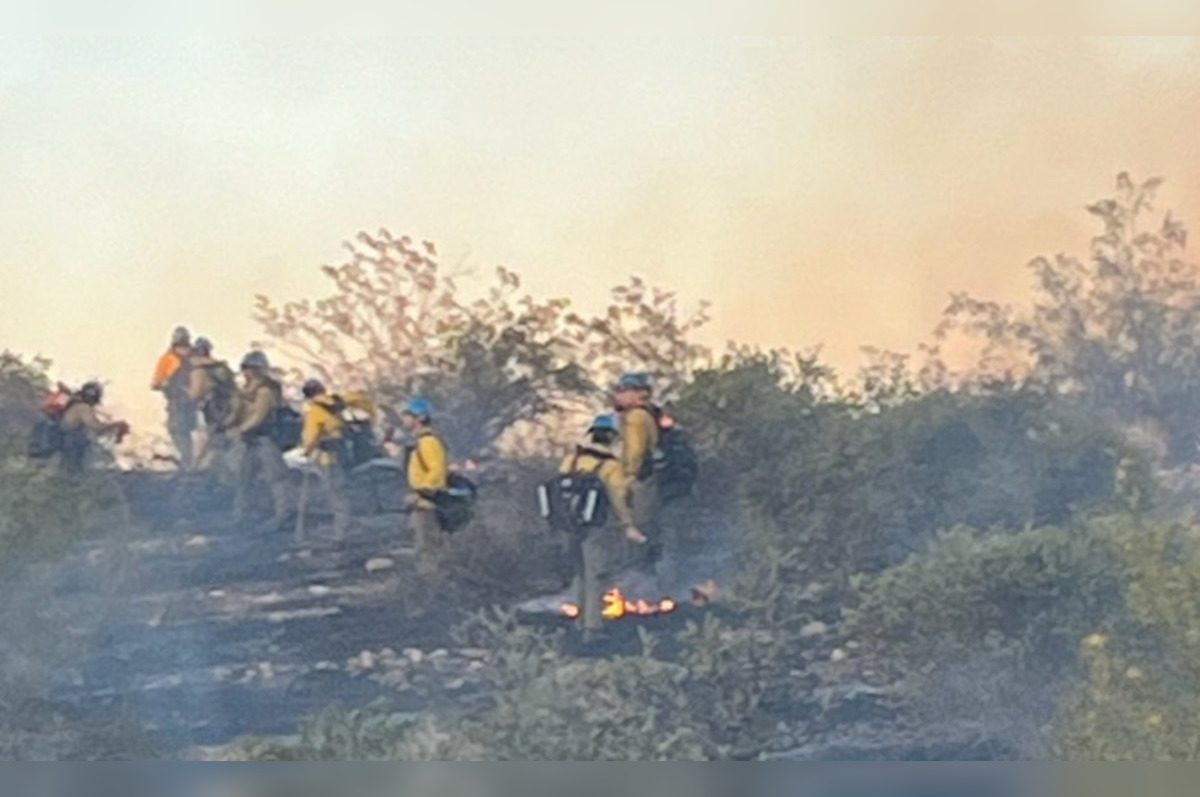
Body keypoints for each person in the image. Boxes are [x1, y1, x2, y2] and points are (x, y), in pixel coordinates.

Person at [560, 414, 645, 644]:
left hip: (569, 525)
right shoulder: (611, 466)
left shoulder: (572, 460)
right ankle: (593, 629)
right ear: (612, 437)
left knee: (579, 573)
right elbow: (617, 497)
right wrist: (628, 524)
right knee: (596, 575)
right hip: (597, 526)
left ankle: (578, 622)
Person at [300, 378, 377, 540]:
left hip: (327, 457)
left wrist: (307, 450)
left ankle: (342, 532)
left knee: (335, 493)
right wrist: (372, 415)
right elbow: (361, 399)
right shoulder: (337, 401)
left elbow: (311, 437)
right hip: (344, 453)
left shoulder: (315, 411)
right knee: (343, 489)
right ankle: (347, 525)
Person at [225, 350, 291, 531]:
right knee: (243, 478)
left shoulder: (266, 391)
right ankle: (242, 514)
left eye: (252, 369)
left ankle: (282, 515)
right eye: (246, 368)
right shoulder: (245, 392)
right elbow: (236, 414)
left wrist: (240, 429)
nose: (249, 372)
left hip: (265, 439)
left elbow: (259, 417)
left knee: (276, 478)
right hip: (248, 441)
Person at [614, 372, 663, 575]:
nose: (618, 396)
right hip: (649, 480)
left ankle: (637, 581)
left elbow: (635, 451)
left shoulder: (635, 417)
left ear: (636, 393)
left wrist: (628, 477)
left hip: (639, 481)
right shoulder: (649, 414)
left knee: (635, 530)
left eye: (622, 391)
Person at [401, 396, 447, 575]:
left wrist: (420, 493)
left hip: (426, 504)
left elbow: (437, 473)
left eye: (408, 415)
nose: (405, 419)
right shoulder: (420, 442)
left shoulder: (428, 443)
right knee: (422, 546)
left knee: (427, 547)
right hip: (420, 503)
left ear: (419, 418)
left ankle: (431, 583)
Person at [188, 336, 238, 472]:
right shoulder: (223, 368)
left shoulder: (199, 370)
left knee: (210, 438)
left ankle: (202, 468)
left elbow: (196, 393)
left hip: (211, 408)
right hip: (229, 407)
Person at [151, 326, 197, 470]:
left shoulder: (168, 359)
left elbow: (155, 384)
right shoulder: (193, 358)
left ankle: (187, 464)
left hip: (180, 402)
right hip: (188, 402)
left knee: (178, 431)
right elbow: (156, 384)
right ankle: (188, 462)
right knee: (185, 433)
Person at [58, 381, 129, 472]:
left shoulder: (75, 402)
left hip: (65, 439)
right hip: (70, 443)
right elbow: (96, 427)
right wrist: (115, 425)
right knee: (73, 470)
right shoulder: (84, 408)